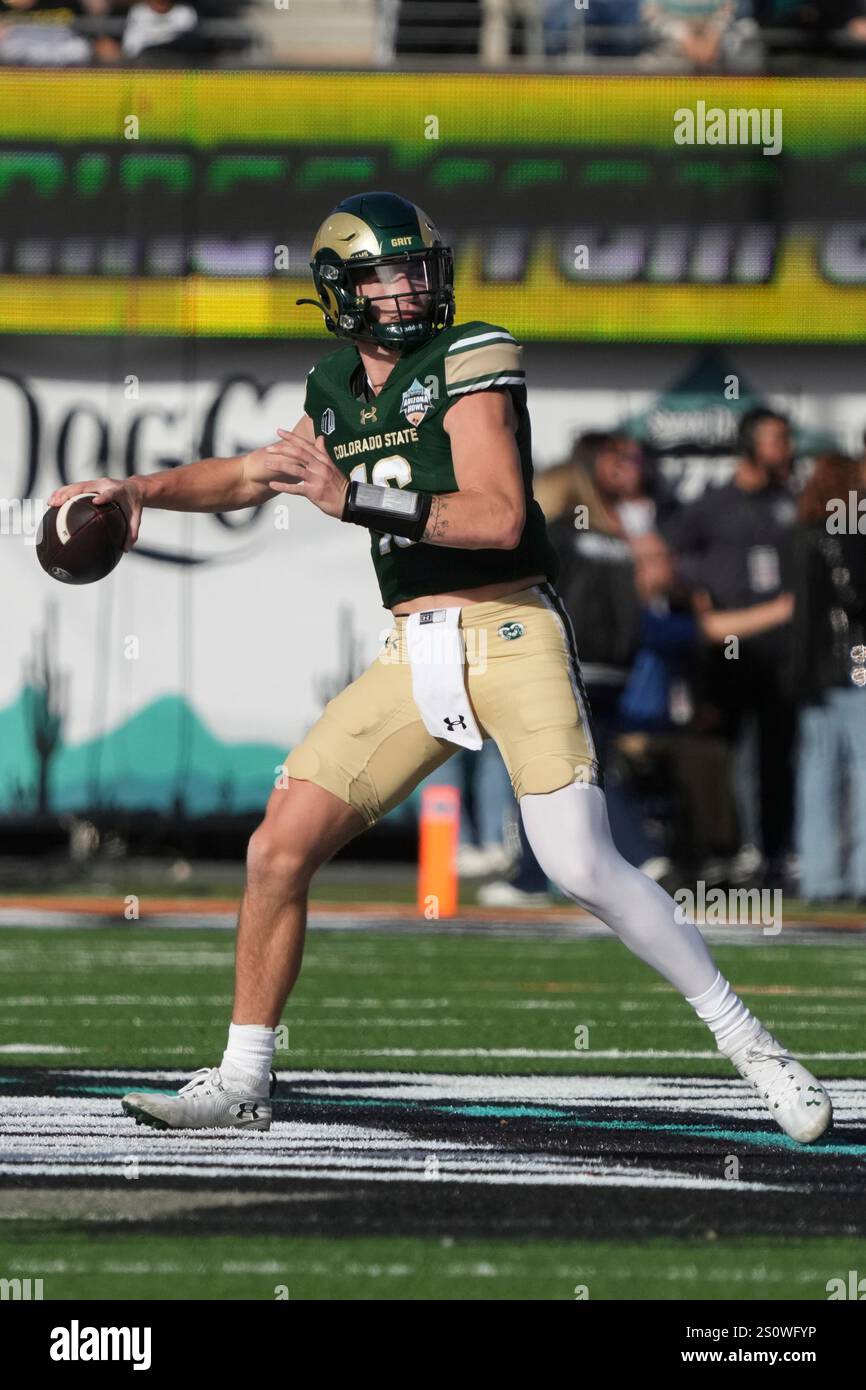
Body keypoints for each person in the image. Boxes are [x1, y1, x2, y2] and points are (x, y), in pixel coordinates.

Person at [49, 191, 831, 1144]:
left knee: (581, 861)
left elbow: (499, 516)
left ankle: (756, 1050)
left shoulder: (471, 356)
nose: (414, 285)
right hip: (411, 649)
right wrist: (140, 490)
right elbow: (258, 473)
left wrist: (357, 495)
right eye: (389, 272)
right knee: (275, 849)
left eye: (421, 266)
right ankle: (245, 1075)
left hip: (509, 631)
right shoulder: (335, 383)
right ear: (341, 290)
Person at [663, 407, 799, 889]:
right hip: (730, 650)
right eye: (776, 440)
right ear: (749, 445)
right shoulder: (713, 504)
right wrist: (699, 599)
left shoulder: (789, 502)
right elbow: (669, 557)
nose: (787, 450)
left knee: (778, 756)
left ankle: (776, 851)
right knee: (727, 753)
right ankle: (731, 849)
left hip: (783, 653)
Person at [787, 453, 866, 903]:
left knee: (817, 772)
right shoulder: (850, 533)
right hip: (856, 663)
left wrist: (798, 675)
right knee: (860, 770)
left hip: (817, 673)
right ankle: (858, 877)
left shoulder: (805, 535)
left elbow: (802, 618)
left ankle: (821, 876)